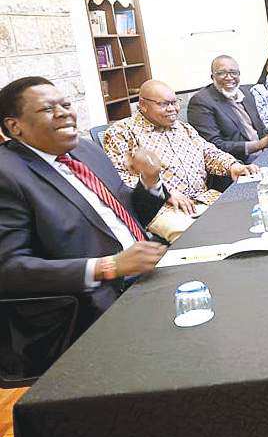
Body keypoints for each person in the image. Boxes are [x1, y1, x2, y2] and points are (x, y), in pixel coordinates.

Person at [0, 77, 167, 365]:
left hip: (146, 275)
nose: (65, 113)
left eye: (66, 104)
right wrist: (108, 266)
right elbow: (8, 269)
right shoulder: (7, 174)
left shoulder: (85, 150)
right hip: (86, 307)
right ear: (15, 127)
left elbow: (130, 214)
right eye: (48, 109)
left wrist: (150, 181)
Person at [104, 80, 258, 243]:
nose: (172, 109)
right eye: (164, 104)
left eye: (175, 102)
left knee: (246, 221)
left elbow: (208, 152)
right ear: (143, 105)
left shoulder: (183, 128)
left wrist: (232, 166)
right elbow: (120, 179)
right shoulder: (122, 132)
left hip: (204, 199)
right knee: (202, 242)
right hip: (164, 209)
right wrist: (165, 192)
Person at [187, 55, 268, 163]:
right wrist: (258, 145)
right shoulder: (201, 102)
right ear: (212, 76)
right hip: (239, 163)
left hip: (265, 155)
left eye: (233, 72)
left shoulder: (246, 93)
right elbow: (213, 146)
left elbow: (261, 129)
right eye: (222, 73)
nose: (229, 77)